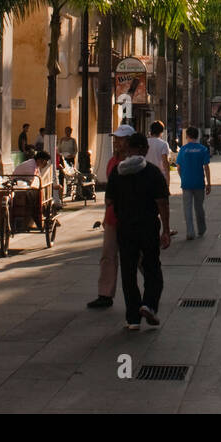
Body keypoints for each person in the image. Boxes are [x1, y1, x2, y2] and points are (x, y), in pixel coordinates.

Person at [105, 133, 170, 330]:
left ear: (128, 149)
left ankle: (132, 318)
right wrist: (166, 229)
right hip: (148, 227)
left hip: (125, 228)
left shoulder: (117, 171)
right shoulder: (152, 172)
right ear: (145, 149)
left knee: (128, 271)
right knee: (152, 268)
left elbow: (109, 201)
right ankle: (149, 304)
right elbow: (162, 203)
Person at [88, 124, 136, 309]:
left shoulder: (136, 162)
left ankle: (151, 286)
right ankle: (105, 294)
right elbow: (110, 192)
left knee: (138, 257)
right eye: (115, 138)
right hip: (112, 217)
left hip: (131, 218)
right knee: (107, 256)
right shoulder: (111, 162)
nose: (116, 142)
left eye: (121, 139)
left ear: (129, 141)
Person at [175, 126, 211, 240]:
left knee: (187, 208)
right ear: (197, 136)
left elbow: (178, 167)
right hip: (199, 182)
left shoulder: (183, 149)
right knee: (199, 207)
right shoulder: (203, 149)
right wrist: (209, 183)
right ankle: (201, 229)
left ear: (187, 136)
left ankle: (190, 232)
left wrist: (183, 177)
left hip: (186, 183)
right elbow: (206, 167)